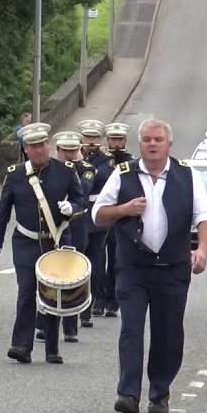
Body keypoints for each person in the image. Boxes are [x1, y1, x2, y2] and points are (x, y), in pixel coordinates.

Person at [93, 118, 207, 413]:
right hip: (134, 267)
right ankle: (129, 393)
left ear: (169, 145)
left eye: (158, 140)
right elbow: (98, 214)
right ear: (139, 145)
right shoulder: (123, 174)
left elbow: (205, 217)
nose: (152, 144)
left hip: (173, 268)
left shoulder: (187, 176)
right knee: (131, 329)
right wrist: (124, 210)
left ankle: (159, 393)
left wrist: (202, 249)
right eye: (146, 139)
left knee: (168, 333)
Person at [0, 122, 86, 365]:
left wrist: (71, 207)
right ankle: (21, 345)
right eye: (33, 146)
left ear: (48, 145)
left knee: (53, 295)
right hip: (26, 242)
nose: (39, 150)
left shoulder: (65, 171)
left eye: (42, 144)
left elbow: (80, 200)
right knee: (26, 292)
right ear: (26, 150)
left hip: (55, 242)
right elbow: (3, 210)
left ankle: (52, 348)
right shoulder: (15, 175)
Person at [51, 131, 94, 344]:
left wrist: (72, 168)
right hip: (52, 228)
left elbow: (84, 190)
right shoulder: (48, 169)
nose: (69, 155)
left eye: (73, 150)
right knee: (50, 276)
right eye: (65, 151)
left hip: (76, 227)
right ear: (57, 150)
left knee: (72, 277)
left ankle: (70, 326)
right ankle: (46, 324)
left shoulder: (86, 169)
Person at [76, 118, 113, 330]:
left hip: (96, 214)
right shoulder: (75, 158)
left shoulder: (105, 160)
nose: (90, 141)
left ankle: (96, 299)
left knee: (97, 261)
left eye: (94, 138)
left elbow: (104, 177)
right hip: (79, 214)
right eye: (87, 137)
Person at [98, 122, 134, 317]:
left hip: (120, 215)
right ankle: (99, 297)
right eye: (113, 139)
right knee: (97, 258)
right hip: (102, 214)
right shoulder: (101, 160)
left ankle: (112, 300)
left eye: (120, 139)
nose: (117, 143)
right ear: (108, 140)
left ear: (125, 141)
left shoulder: (131, 162)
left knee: (115, 259)